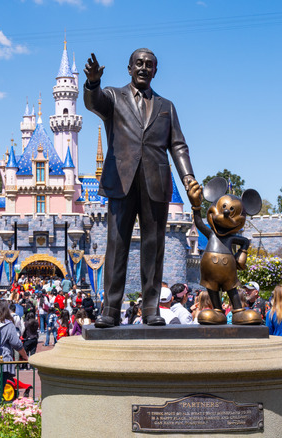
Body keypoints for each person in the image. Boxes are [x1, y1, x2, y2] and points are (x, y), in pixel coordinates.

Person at [84, 49, 197, 327]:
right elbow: (93, 103)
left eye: (149, 65)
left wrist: (188, 178)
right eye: (139, 64)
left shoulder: (166, 106)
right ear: (129, 68)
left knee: (153, 247)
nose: (144, 68)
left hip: (155, 183)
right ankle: (110, 310)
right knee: (116, 245)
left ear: (156, 71)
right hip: (121, 181)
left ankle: (150, 309)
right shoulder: (113, 96)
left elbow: (178, 145)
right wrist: (93, 84)